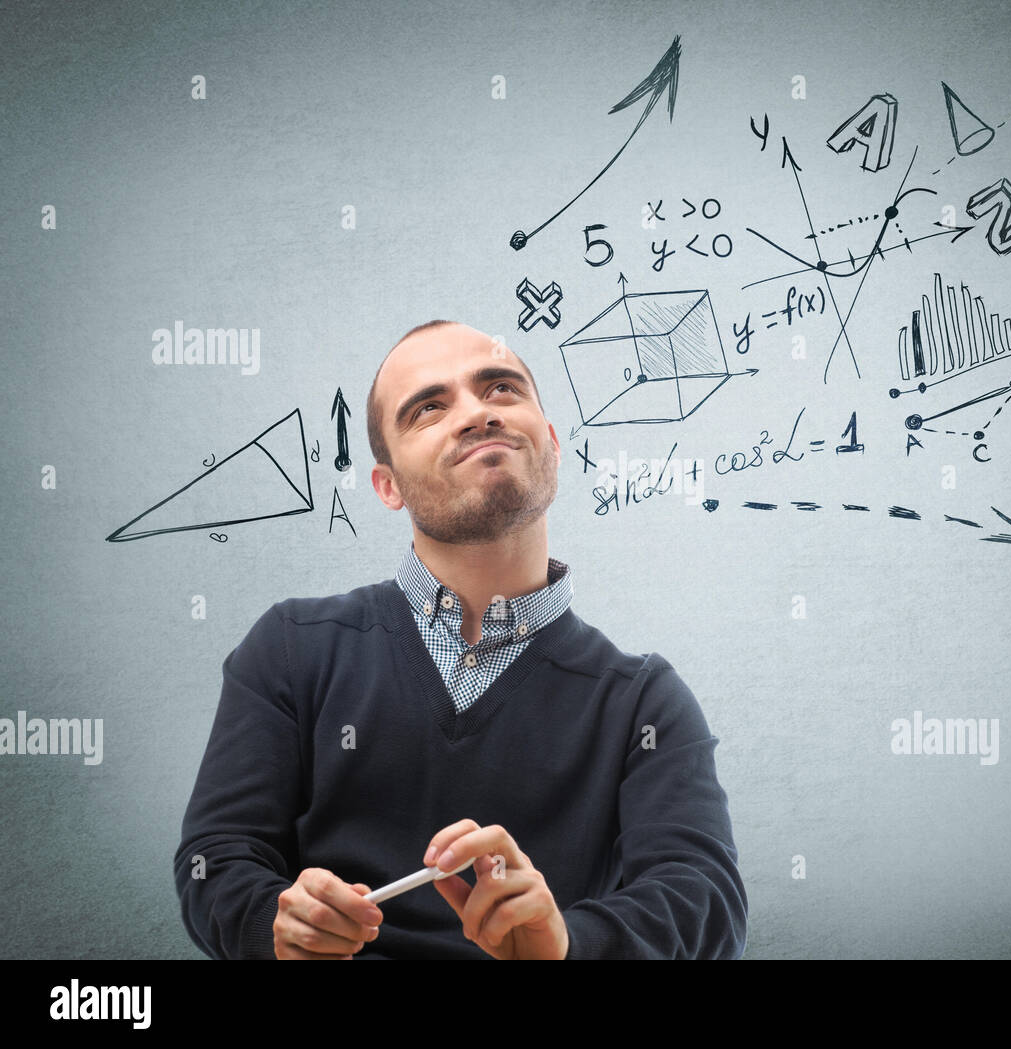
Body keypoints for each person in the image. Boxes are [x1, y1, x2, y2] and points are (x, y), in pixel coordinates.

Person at [172, 320, 747, 959]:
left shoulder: (645, 702)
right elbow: (215, 858)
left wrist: (566, 947)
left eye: (500, 388)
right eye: (428, 408)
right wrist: (274, 928)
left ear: (552, 444)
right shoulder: (291, 648)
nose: (477, 414)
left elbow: (707, 903)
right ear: (387, 486)